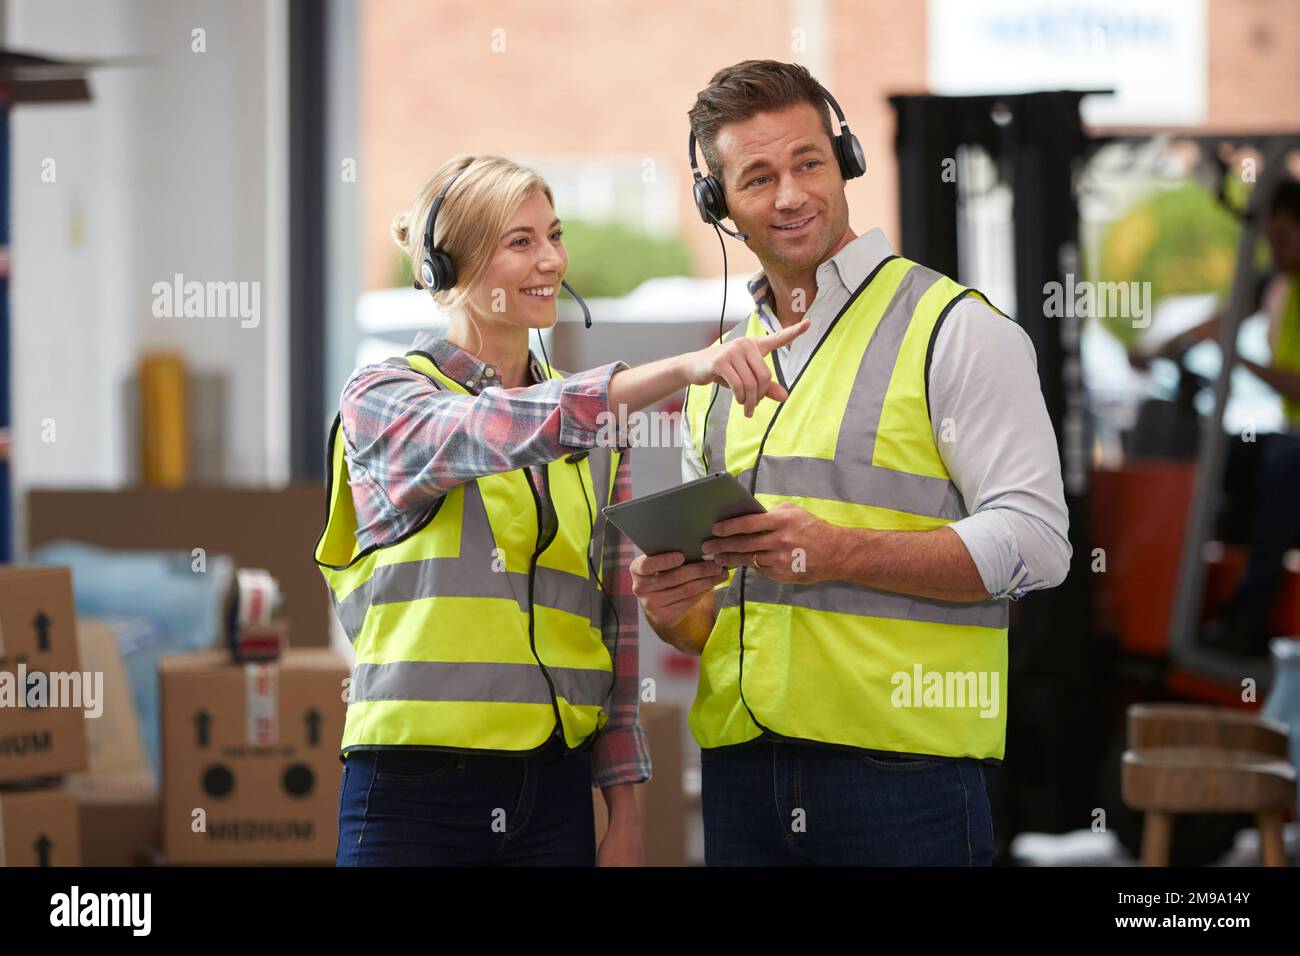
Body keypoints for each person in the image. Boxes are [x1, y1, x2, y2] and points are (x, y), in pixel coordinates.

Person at [629, 60, 1072, 866]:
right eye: (757, 178)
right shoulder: (716, 377)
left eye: (808, 163)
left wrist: (840, 552)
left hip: (902, 777)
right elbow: (737, 618)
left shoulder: (955, 331)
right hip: (742, 769)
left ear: (846, 163)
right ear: (718, 205)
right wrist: (677, 610)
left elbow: (1040, 545)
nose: (791, 195)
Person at [314, 153, 809, 866]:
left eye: (554, 234)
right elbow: (489, 430)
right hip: (416, 786)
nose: (551, 259)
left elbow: (614, 627)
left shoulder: (595, 426)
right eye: (521, 242)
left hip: (554, 790)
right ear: (448, 267)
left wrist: (625, 808)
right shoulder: (384, 399)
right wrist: (680, 366)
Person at [1131, 179, 1300, 654]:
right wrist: (1157, 350)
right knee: (1225, 451)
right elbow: (1218, 323)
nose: (1275, 248)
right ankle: (1195, 593)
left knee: (1284, 463)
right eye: (1270, 237)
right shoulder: (1277, 281)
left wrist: (1238, 361)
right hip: (1290, 436)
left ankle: (1250, 614)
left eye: (1284, 237)